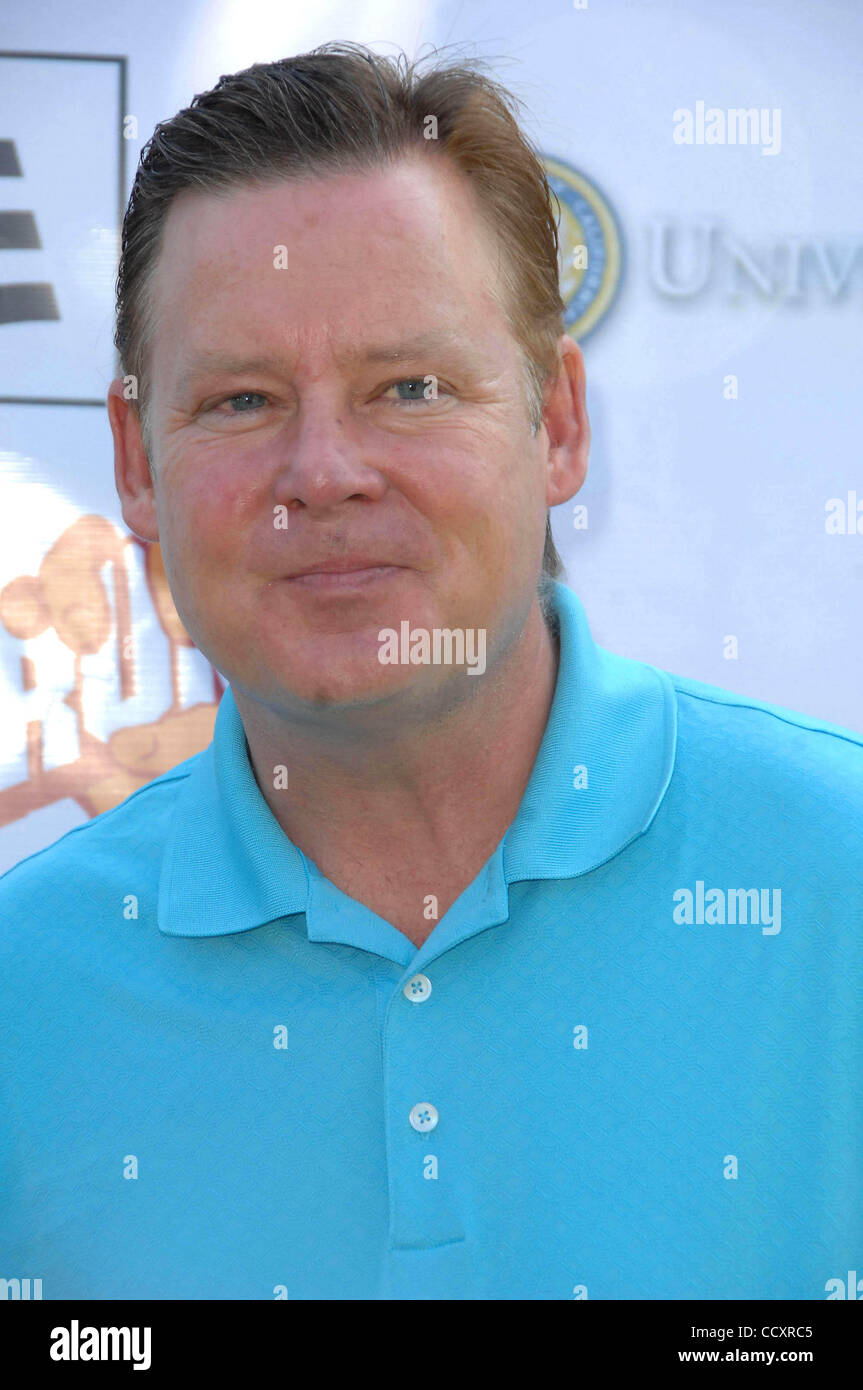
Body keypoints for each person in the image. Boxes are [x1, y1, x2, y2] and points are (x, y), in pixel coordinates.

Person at [0, 42, 860, 1302]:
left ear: (555, 423)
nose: (325, 472)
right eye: (239, 401)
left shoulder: (836, 886)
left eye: (409, 386)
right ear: (135, 461)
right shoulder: (29, 992)